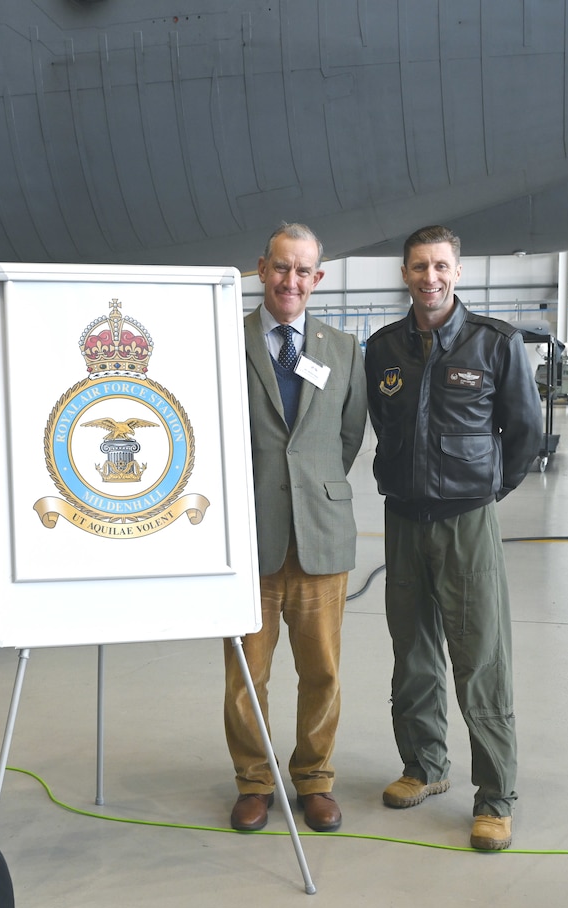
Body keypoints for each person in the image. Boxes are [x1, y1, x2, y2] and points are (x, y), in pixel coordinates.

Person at [364, 225, 542, 850]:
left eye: (440, 266)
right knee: (412, 651)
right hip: (403, 519)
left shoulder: (495, 343)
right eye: (418, 267)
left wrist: (484, 492)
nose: (430, 277)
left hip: (467, 521)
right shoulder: (383, 347)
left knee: (480, 660)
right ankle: (425, 767)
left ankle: (495, 796)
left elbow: (524, 433)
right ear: (405, 273)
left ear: (457, 271)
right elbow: (379, 428)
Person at [225, 223, 367, 833]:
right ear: (262, 269)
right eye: (281, 268)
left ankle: (314, 779)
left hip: (320, 534)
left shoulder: (342, 348)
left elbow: (348, 435)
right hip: (248, 538)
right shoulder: (226, 342)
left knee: (323, 672)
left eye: (303, 271)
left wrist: (313, 485)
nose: (291, 281)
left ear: (318, 278)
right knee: (245, 678)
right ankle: (254, 781)